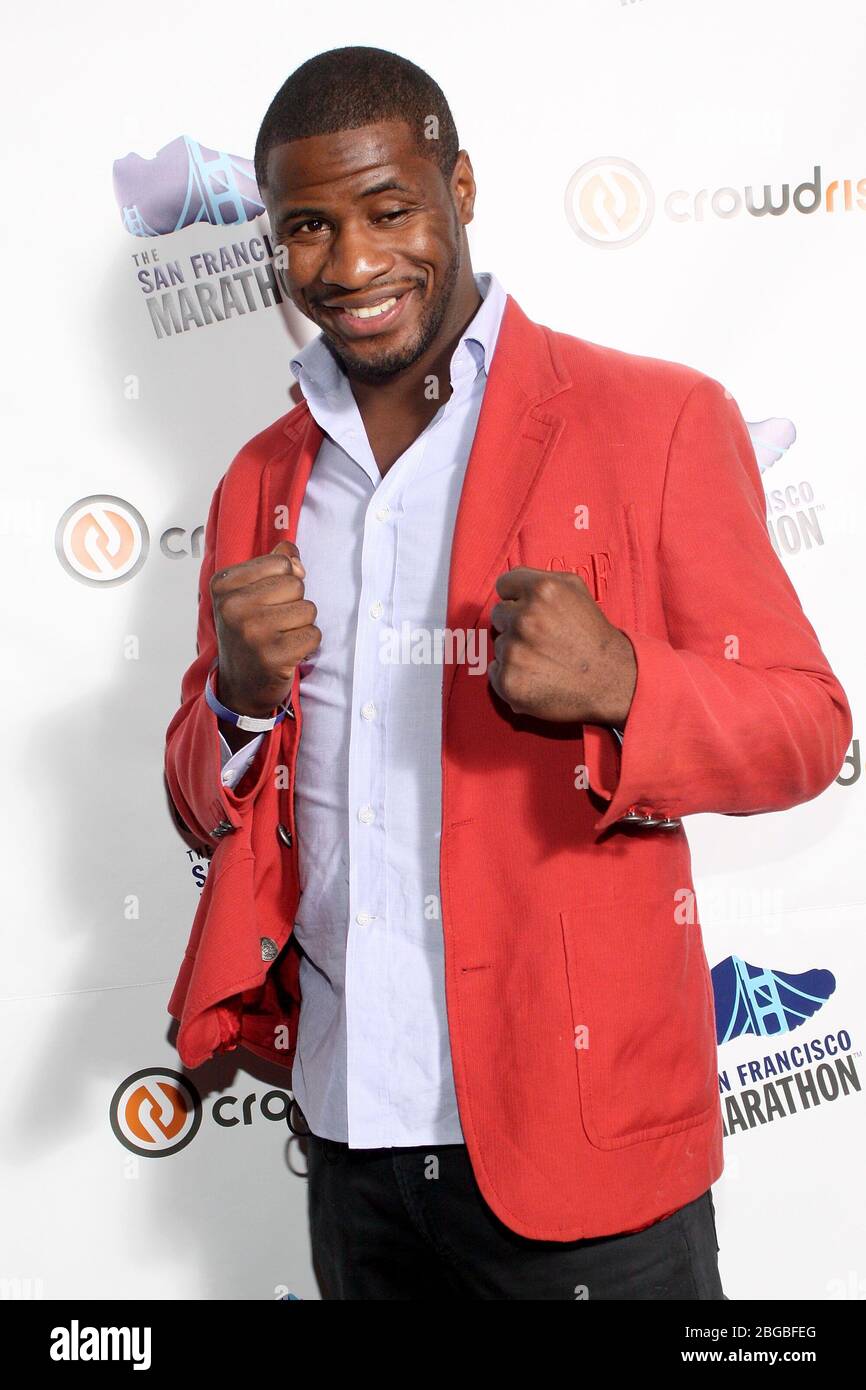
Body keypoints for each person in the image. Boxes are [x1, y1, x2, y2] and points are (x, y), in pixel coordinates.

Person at [163, 46, 852, 1300]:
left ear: (459, 187)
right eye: (308, 227)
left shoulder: (653, 419)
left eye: (389, 209)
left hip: (576, 1151)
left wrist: (625, 682)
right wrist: (236, 704)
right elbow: (196, 787)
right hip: (351, 1143)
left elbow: (806, 724)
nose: (353, 264)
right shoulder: (259, 478)